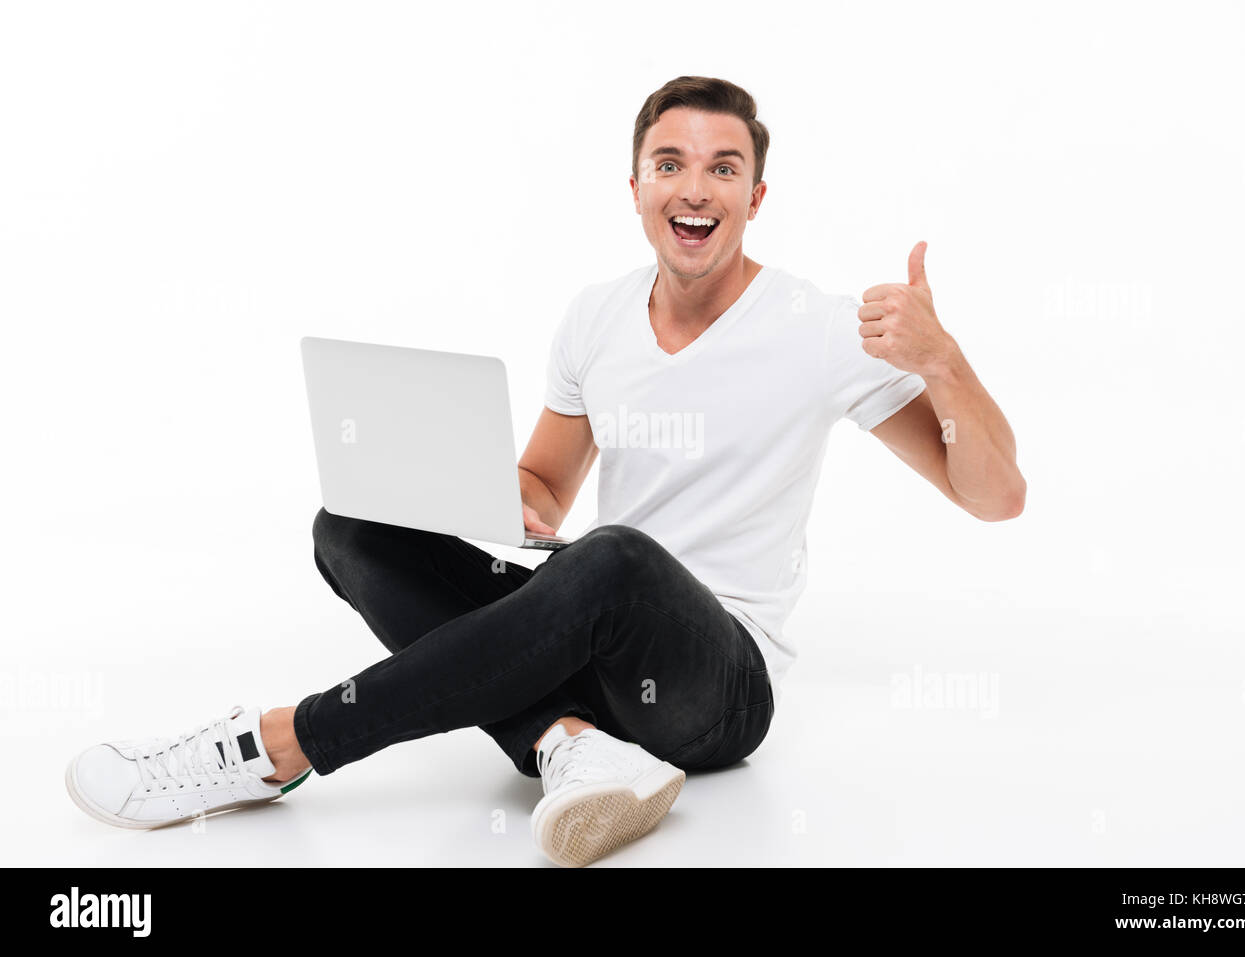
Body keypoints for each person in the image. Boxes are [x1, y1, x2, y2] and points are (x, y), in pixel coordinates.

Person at [65, 75, 1026, 867]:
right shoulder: (596, 317)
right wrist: (441, 475)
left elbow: (996, 495)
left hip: (716, 685)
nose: (695, 188)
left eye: (723, 169)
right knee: (348, 529)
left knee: (610, 558)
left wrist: (943, 362)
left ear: (755, 197)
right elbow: (541, 495)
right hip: (592, 636)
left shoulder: (821, 328)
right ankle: (572, 746)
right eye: (671, 164)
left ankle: (274, 747)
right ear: (638, 186)